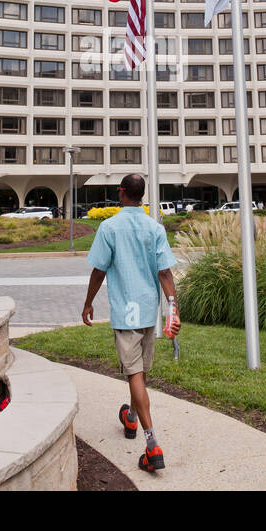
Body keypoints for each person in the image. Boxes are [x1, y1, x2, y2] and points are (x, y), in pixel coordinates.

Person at [81, 173, 180, 474]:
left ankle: (152, 446)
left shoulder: (109, 227)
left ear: (122, 193)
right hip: (148, 311)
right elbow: (165, 274)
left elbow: (99, 270)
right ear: (142, 195)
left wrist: (88, 303)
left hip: (127, 313)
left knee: (135, 374)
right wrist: (172, 309)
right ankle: (131, 418)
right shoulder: (155, 227)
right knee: (140, 373)